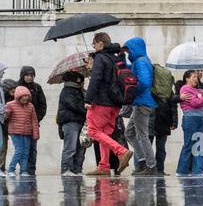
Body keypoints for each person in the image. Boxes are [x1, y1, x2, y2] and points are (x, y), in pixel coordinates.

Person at [84, 32, 130, 176]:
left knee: (93, 131)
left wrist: (88, 99)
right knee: (105, 134)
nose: (93, 46)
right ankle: (104, 165)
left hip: (101, 102)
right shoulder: (115, 57)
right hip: (115, 104)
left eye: (94, 43)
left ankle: (121, 151)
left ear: (100, 44)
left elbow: (96, 79)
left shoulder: (100, 57)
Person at [120, 38, 157, 175]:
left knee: (142, 136)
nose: (128, 52)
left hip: (142, 103)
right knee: (129, 133)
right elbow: (131, 70)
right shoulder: (140, 61)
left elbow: (144, 82)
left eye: (128, 50)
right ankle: (142, 161)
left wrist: (132, 90)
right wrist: (123, 62)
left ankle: (151, 166)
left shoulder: (141, 61)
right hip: (141, 103)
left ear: (134, 48)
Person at [176, 70, 203, 175]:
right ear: (187, 78)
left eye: (197, 77)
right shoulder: (185, 88)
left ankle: (198, 170)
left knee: (199, 145)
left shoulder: (198, 90)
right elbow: (195, 103)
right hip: (190, 119)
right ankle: (182, 170)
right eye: (193, 77)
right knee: (188, 145)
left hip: (199, 119)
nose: (196, 79)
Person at [16, 66, 46, 175]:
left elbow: (43, 105)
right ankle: (23, 169)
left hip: (33, 123)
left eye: (31, 75)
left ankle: (31, 170)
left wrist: (36, 118)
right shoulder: (17, 87)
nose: (29, 77)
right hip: (19, 124)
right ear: (22, 75)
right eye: (27, 75)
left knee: (33, 148)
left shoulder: (37, 88)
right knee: (21, 149)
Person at [56, 71, 87, 176]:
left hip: (80, 121)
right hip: (71, 122)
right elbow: (74, 105)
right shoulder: (68, 91)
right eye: (82, 81)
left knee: (81, 147)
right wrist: (86, 110)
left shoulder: (80, 91)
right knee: (70, 147)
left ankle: (77, 169)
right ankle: (66, 169)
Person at [150, 65, 178, 175]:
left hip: (151, 120)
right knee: (161, 147)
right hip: (164, 119)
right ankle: (160, 170)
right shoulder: (167, 89)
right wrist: (174, 121)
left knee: (147, 145)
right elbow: (173, 105)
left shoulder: (150, 88)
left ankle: (148, 168)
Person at [5, 86, 39, 175]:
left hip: (27, 132)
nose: (25, 100)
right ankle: (11, 169)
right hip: (15, 132)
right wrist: (6, 112)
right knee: (19, 150)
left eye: (27, 98)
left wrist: (36, 134)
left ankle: (23, 171)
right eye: (23, 98)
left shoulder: (31, 106)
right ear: (18, 97)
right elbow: (5, 117)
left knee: (26, 152)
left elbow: (34, 121)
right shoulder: (10, 105)